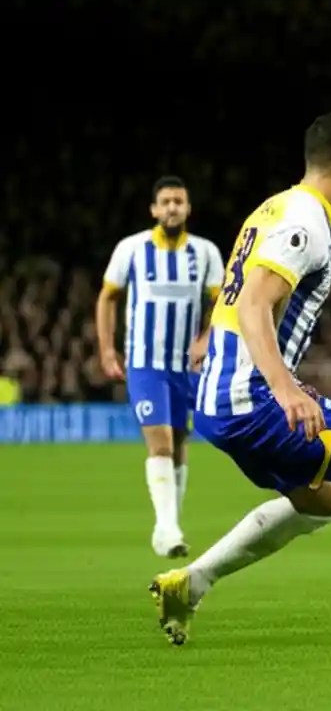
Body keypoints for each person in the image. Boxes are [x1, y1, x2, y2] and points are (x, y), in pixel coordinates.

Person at [148, 112, 331, 650]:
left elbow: (241, 299)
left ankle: (190, 583)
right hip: (250, 396)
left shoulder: (273, 208)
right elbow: (256, 300)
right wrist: (282, 387)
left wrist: (226, 349)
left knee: (321, 501)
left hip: (222, 397)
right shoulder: (306, 221)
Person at [96, 176, 224, 558]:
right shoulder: (131, 249)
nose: (172, 207)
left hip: (187, 368)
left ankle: (169, 525)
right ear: (154, 209)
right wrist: (106, 350)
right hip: (145, 364)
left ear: (188, 209)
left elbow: (219, 302)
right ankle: (167, 528)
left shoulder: (205, 253)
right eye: (165, 201)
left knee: (181, 443)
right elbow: (107, 298)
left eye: (178, 201)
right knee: (162, 443)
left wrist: (205, 338)